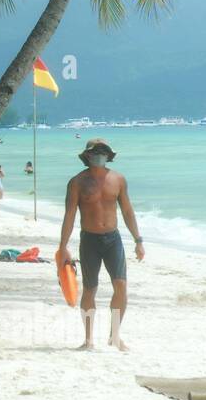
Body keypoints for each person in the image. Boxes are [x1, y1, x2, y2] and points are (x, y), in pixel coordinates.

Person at [57, 139, 144, 352]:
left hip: (113, 239)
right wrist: (63, 246)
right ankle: (88, 339)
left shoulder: (118, 179)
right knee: (90, 289)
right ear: (87, 156)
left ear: (109, 155)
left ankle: (114, 336)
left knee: (121, 287)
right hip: (90, 240)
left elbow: (127, 211)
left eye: (103, 151)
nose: (99, 154)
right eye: (95, 152)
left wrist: (138, 240)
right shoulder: (77, 182)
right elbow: (69, 215)